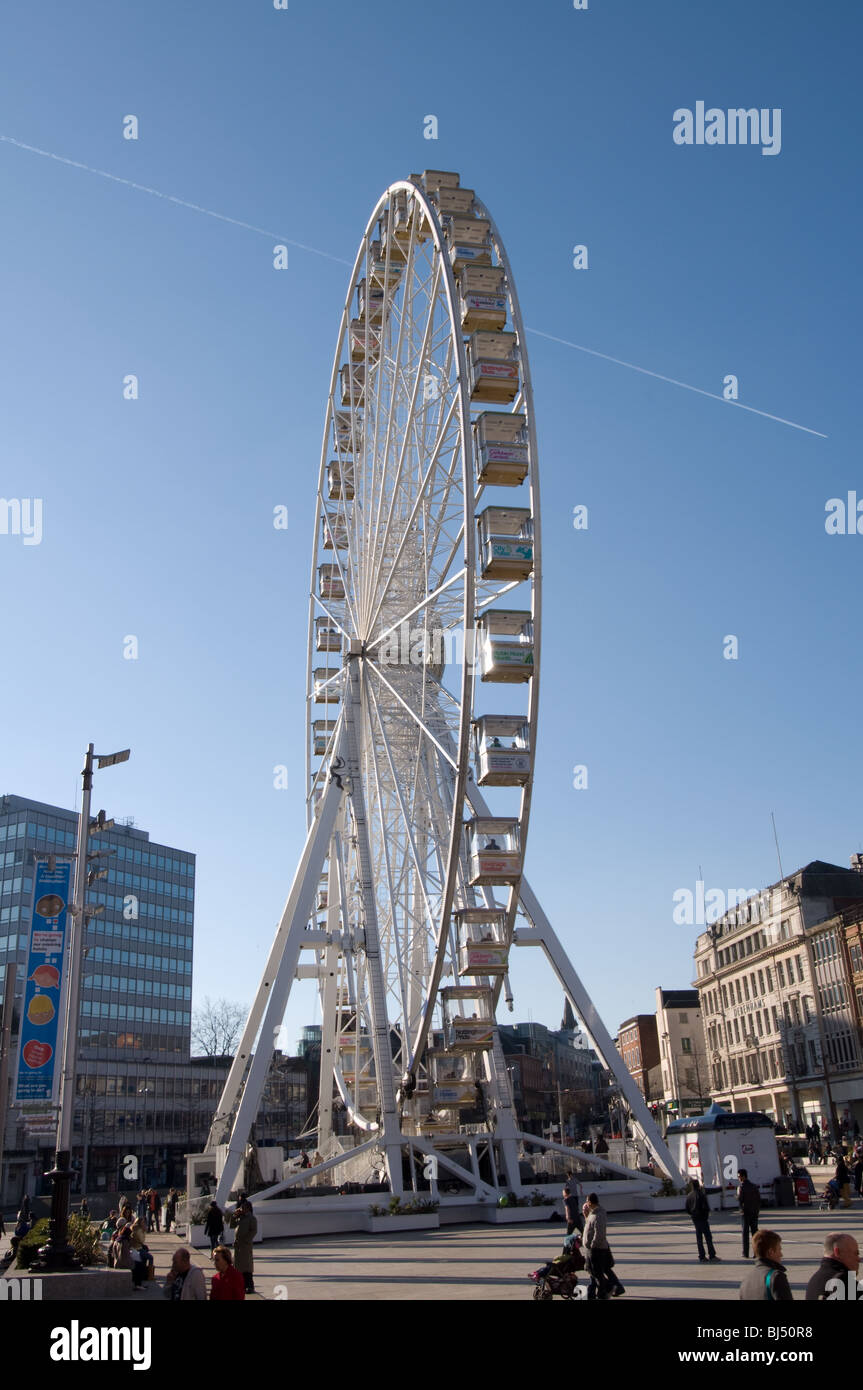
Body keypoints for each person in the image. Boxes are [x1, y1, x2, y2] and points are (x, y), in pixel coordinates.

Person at [582, 1193, 624, 1299]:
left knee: (597, 1273)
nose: (586, 1203)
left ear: (590, 1202)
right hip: (591, 1249)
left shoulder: (599, 1214)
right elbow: (589, 1227)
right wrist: (585, 1214)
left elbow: (599, 1233)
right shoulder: (593, 1213)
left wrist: (592, 1246)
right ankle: (606, 1290)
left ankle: (606, 1291)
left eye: (587, 1201)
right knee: (594, 1273)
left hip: (596, 1249)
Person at [739, 1230, 793, 1300]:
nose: (781, 1255)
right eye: (779, 1250)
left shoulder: (745, 1281)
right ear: (770, 1252)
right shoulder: (776, 1277)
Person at [805, 1232, 860, 1300]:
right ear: (837, 1252)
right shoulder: (845, 1283)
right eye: (856, 1253)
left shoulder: (814, 1281)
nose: (858, 1259)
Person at [684, 1179, 720, 1262]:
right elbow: (705, 1207)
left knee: (699, 1238)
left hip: (695, 1219)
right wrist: (705, 1216)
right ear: (698, 1185)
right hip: (702, 1219)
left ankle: (702, 1256)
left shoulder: (689, 1195)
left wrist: (692, 1215)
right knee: (708, 1237)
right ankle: (712, 1255)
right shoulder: (701, 1194)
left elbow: (687, 1208)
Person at [230, 1198, 258, 1294]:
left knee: (246, 1267)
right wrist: (234, 1216)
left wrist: (246, 1240)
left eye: (243, 1207)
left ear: (248, 1208)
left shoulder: (251, 1218)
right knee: (238, 1267)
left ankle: (249, 1286)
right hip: (238, 1246)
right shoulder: (240, 1217)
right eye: (241, 1207)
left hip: (245, 1246)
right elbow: (232, 1225)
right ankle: (241, 1285)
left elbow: (253, 1231)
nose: (242, 1209)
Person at [737, 1168, 761, 1258]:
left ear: (743, 1176)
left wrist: (741, 1209)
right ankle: (757, 1252)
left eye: (739, 1176)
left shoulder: (741, 1187)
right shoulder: (754, 1186)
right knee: (755, 1234)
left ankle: (745, 1252)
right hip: (754, 1212)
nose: (738, 1178)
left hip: (745, 1213)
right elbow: (758, 1199)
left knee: (745, 1233)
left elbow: (740, 1200)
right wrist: (757, 1210)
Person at [128, 1217, 153, 1290]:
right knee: (150, 1257)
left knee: (144, 1260)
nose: (144, 1223)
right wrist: (144, 1231)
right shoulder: (138, 1230)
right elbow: (142, 1241)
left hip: (136, 1248)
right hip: (137, 1249)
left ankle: (142, 1281)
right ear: (139, 1223)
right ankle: (150, 1276)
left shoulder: (135, 1228)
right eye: (143, 1222)